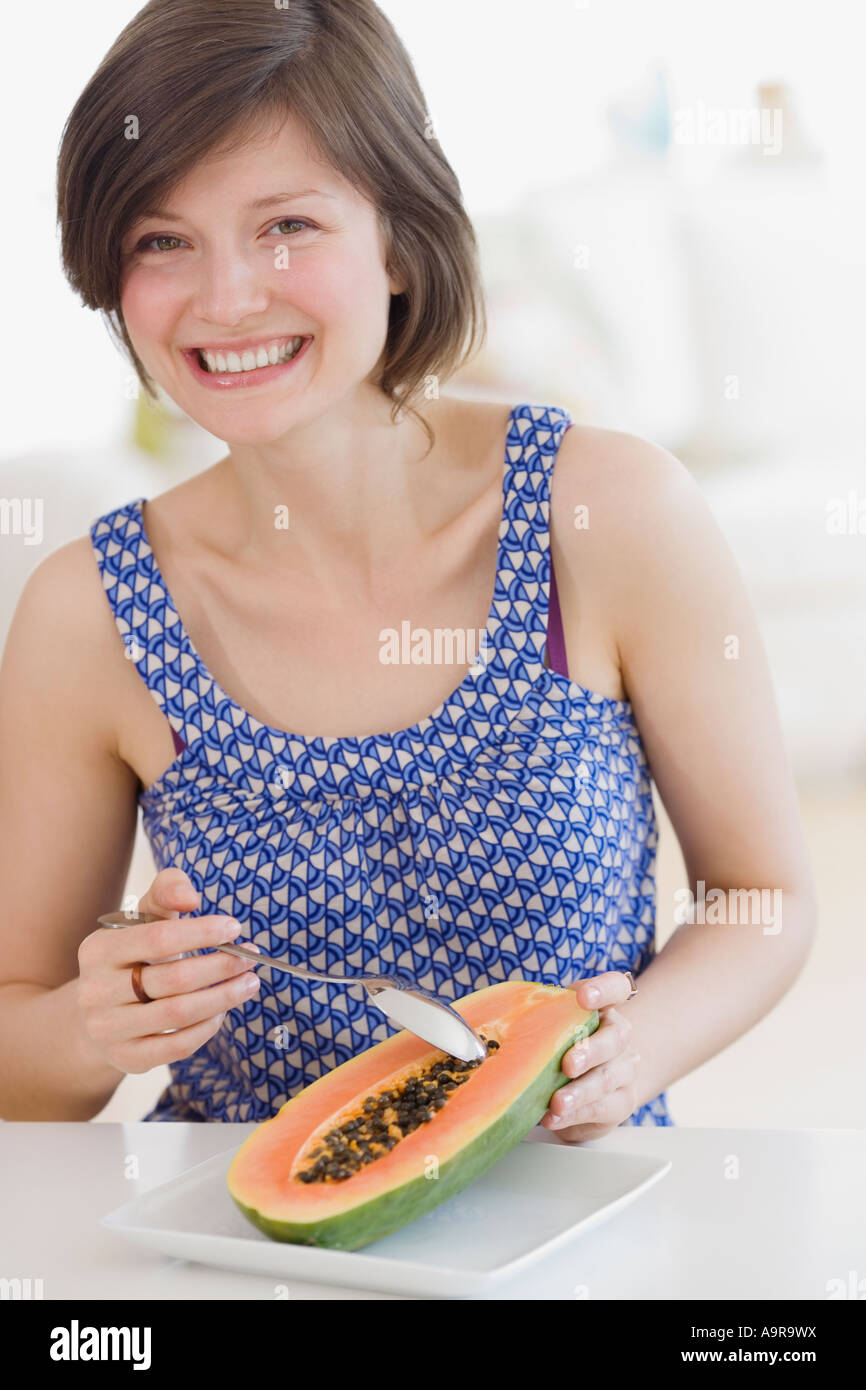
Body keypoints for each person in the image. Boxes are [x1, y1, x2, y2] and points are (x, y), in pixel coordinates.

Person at [0, 0, 816, 1134]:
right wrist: (98, 1024)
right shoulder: (86, 612)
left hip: (571, 1222)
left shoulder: (608, 510)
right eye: (160, 239)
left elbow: (760, 898)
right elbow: (15, 1048)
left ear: (396, 237)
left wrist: (629, 1054)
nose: (226, 296)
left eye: (285, 224)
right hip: (243, 1245)